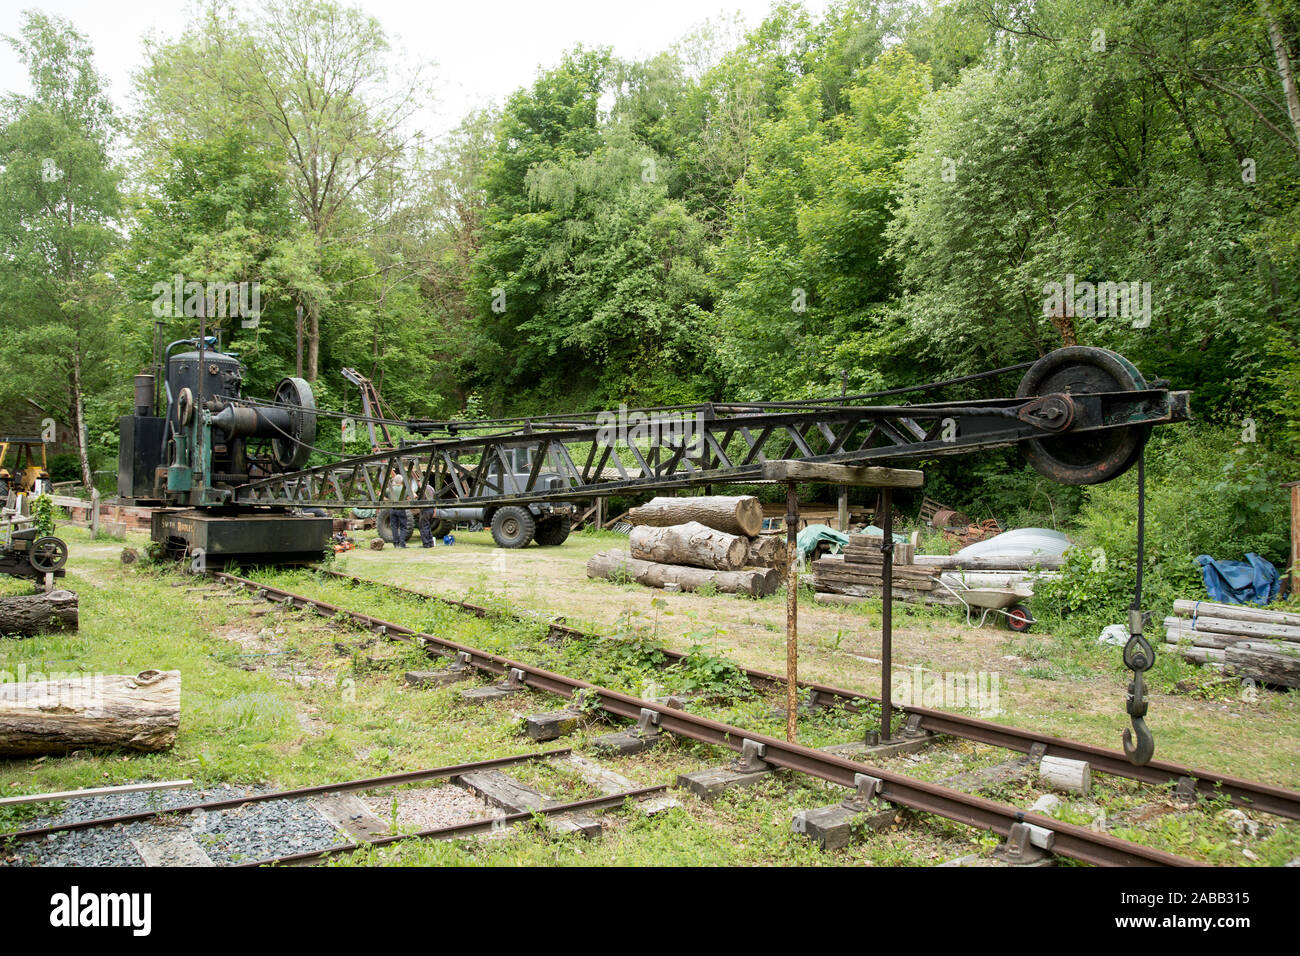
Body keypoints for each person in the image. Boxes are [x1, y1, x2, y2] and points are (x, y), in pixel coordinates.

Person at [386, 474, 411, 547]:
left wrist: (389, 500)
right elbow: (413, 496)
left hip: (392, 509)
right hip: (401, 509)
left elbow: (381, 495)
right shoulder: (405, 489)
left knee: (394, 526)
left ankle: (396, 544)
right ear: (401, 481)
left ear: (394, 481)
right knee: (403, 526)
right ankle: (402, 544)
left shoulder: (389, 489)